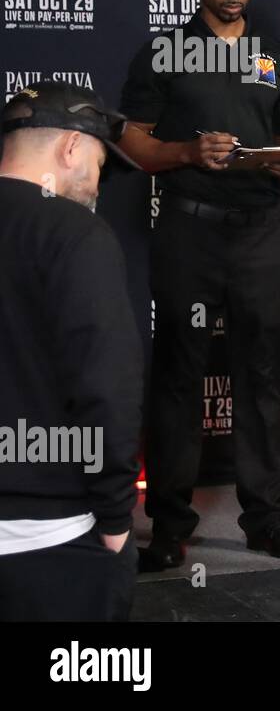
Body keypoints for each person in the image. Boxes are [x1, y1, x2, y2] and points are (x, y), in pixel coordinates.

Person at [117, 0, 280, 571]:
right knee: (179, 376)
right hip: (189, 231)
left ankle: (267, 520)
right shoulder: (165, 53)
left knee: (260, 374)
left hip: (260, 230)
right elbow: (132, 144)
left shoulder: (271, 55)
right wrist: (187, 151)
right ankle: (169, 528)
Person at [0, 81, 143, 619]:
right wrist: (115, 520)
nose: (97, 184)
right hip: (50, 543)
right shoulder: (75, 233)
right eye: (101, 164)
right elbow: (107, 389)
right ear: (71, 148)